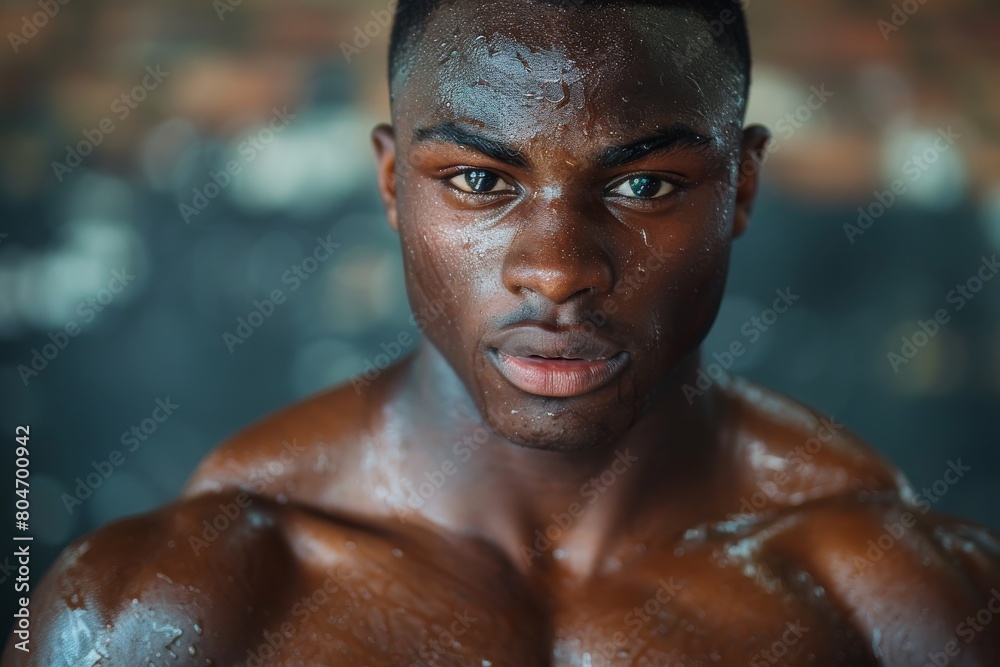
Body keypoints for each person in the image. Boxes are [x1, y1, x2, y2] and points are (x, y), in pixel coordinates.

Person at [6, 0, 1000, 665]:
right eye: (480, 181)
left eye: (644, 184)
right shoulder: (161, 610)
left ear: (739, 186)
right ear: (395, 184)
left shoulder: (902, 603)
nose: (557, 269)